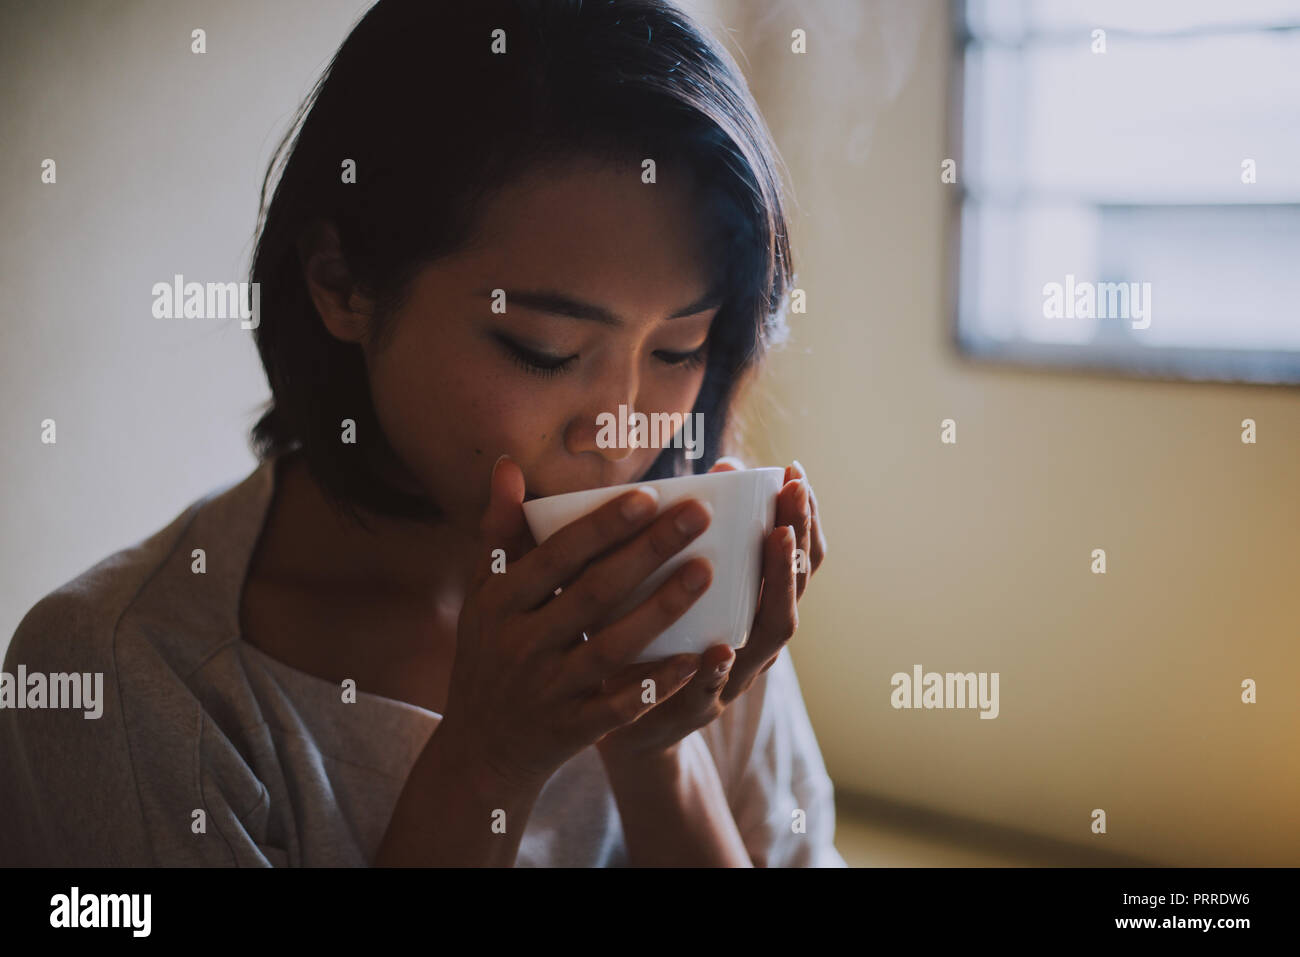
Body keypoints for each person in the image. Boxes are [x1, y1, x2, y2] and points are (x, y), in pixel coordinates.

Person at [0, 0, 843, 867]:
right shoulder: (121, 674)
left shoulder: (690, 589)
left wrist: (656, 750)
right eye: (542, 350)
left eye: (678, 348)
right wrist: (484, 766)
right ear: (341, 281)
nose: (624, 428)